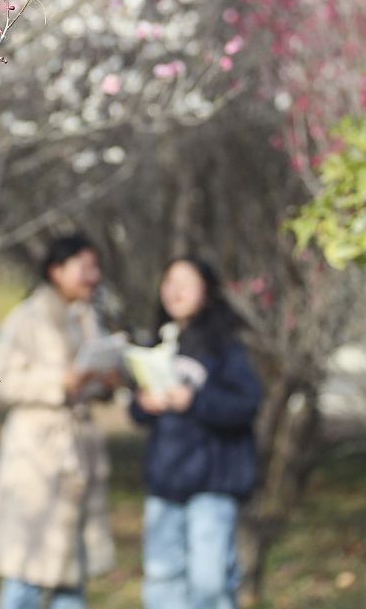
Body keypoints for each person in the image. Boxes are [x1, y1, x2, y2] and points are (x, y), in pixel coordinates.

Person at [0, 233, 119, 609]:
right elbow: (1, 380)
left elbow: (88, 376)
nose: (94, 276)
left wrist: (104, 384)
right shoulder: (28, 316)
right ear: (57, 270)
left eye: (96, 268)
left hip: (78, 453)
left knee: (72, 571)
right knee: (26, 570)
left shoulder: (87, 316)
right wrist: (59, 383)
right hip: (36, 457)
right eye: (85, 267)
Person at [130, 256, 262, 609]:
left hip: (213, 482)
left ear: (207, 290)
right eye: (169, 282)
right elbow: (136, 413)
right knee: (162, 578)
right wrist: (144, 403)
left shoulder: (226, 346)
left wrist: (195, 400)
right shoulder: (158, 342)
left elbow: (247, 405)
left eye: (186, 282)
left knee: (211, 580)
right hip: (165, 481)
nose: (176, 291)